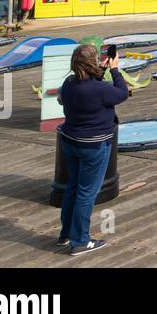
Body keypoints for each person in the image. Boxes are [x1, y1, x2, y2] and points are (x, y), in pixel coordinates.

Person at [56, 43, 128, 256]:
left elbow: (83, 88)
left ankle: (66, 234)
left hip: (70, 141)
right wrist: (114, 69)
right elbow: (121, 93)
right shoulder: (100, 89)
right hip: (94, 145)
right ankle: (80, 241)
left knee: (73, 187)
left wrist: (102, 70)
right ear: (91, 63)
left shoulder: (68, 84)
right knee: (87, 193)